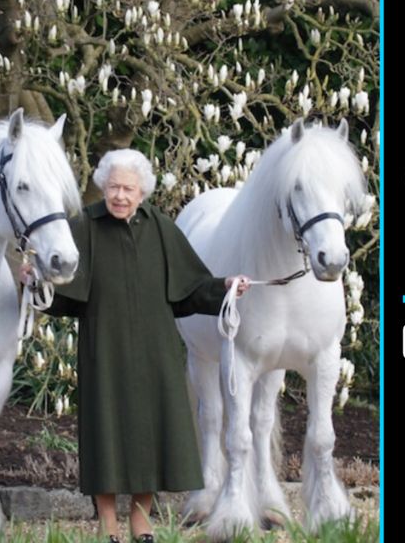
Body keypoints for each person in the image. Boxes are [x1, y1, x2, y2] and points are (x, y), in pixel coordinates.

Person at [25, 149, 249, 543]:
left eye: (128, 188)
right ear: (103, 187)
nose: (120, 196)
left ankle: (141, 522)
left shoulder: (160, 227)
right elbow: (63, 295)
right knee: (105, 435)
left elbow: (191, 288)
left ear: (142, 192)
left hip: (156, 350)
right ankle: (108, 525)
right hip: (104, 349)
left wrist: (225, 286)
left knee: (151, 434)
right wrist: (35, 282)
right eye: (113, 187)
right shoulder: (85, 227)